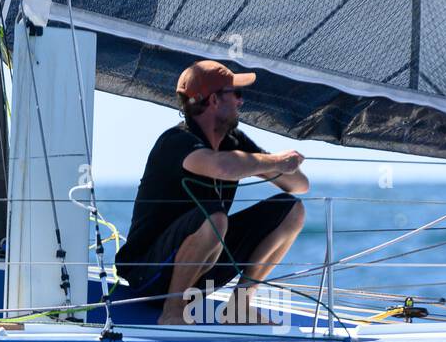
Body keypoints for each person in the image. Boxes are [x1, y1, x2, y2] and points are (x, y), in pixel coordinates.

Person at [116, 60, 308, 325]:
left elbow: (299, 184)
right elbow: (221, 167)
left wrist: (277, 164)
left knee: (292, 209)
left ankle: (240, 306)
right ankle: (173, 311)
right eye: (236, 94)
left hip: (202, 266)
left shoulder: (233, 142)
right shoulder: (176, 141)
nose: (241, 102)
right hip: (149, 274)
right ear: (214, 101)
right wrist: (275, 161)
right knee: (215, 218)